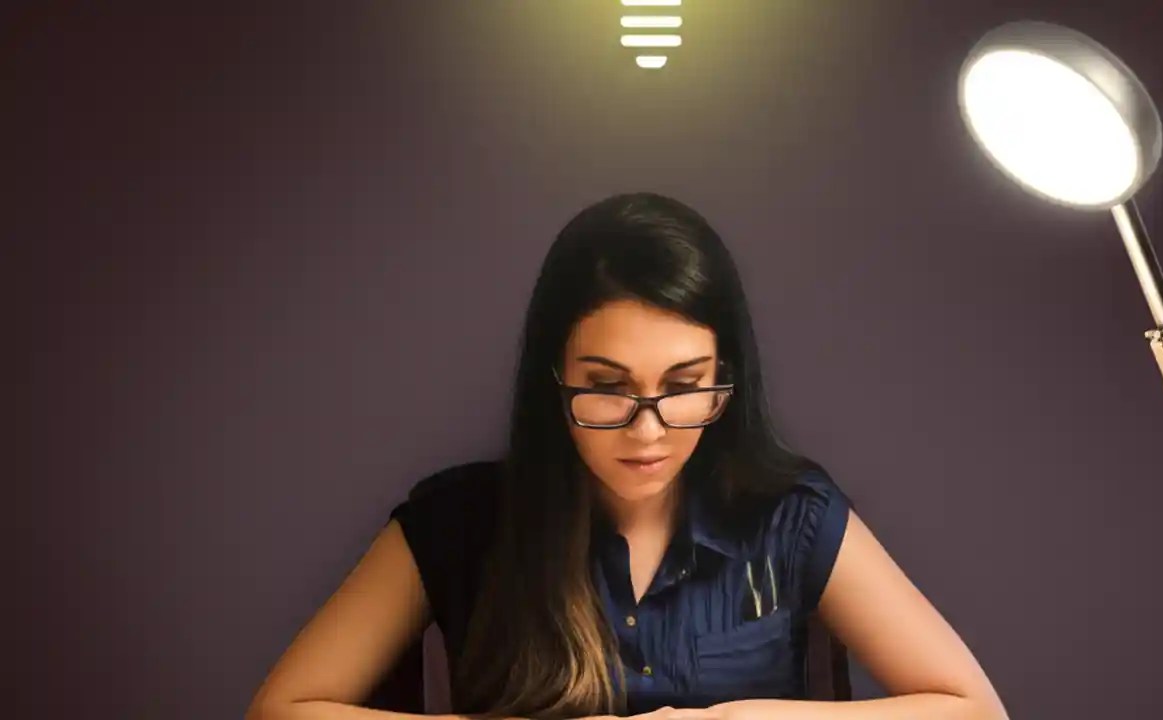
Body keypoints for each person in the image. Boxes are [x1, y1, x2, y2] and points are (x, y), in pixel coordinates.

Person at [246, 193, 1008, 720]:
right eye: (607, 390)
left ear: (725, 380)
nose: (648, 431)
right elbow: (280, 710)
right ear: (556, 381)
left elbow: (975, 708)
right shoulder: (459, 519)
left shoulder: (789, 515)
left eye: (683, 388)